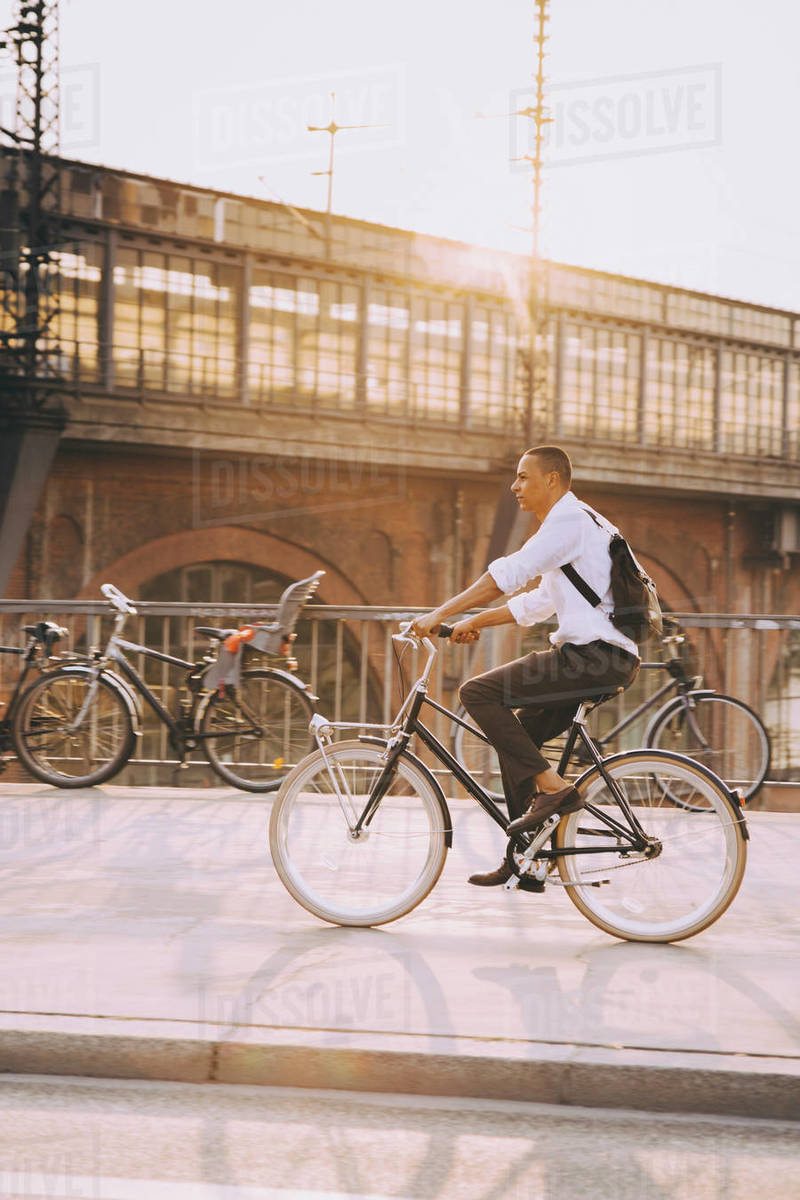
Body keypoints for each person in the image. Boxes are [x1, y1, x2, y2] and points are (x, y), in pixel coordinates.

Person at [412, 445, 641, 888]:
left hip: (592, 657)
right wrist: (473, 621)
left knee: (477, 693)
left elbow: (507, 575)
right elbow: (536, 603)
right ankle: (528, 858)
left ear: (551, 480)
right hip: (606, 657)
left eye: (522, 477)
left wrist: (438, 613)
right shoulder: (580, 524)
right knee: (519, 740)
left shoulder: (567, 521)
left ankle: (556, 790)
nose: (513, 486)